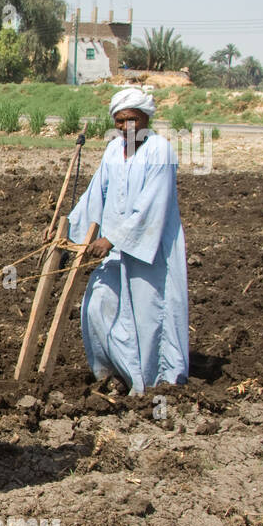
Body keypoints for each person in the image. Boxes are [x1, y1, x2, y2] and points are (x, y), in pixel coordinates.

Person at [66, 87, 188, 394]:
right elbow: (95, 195)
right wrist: (68, 229)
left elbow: (150, 209)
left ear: (146, 117)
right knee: (97, 304)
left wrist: (112, 239)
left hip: (151, 253)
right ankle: (115, 372)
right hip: (116, 250)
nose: (125, 127)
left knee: (148, 317)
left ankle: (154, 382)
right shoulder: (112, 151)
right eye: (119, 121)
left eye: (132, 119)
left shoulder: (160, 151)